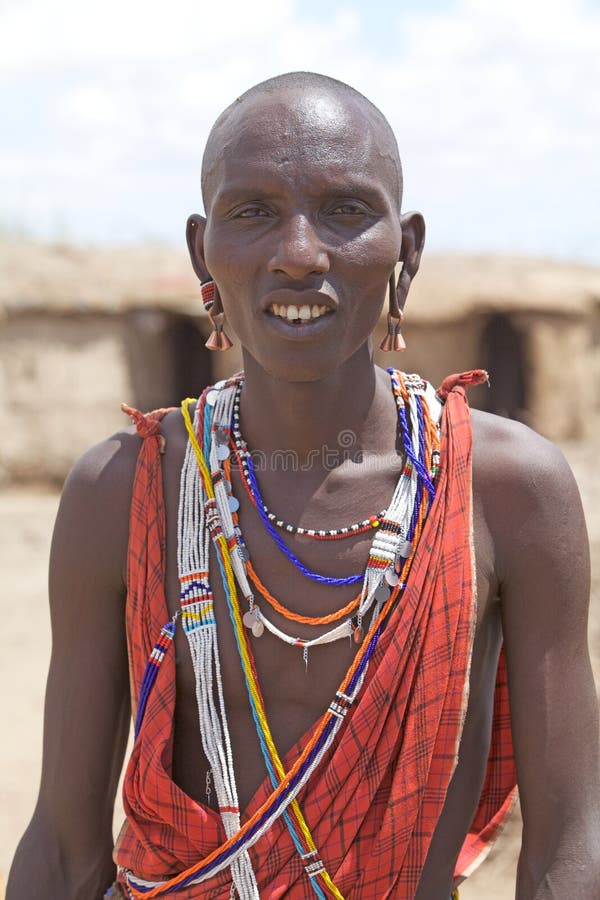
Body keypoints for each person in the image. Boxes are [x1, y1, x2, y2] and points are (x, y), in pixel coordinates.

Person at [7, 71, 600, 900]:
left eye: (346, 211)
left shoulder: (507, 491)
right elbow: (64, 852)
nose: (298, 254)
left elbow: (569, 847)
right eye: (252, 212)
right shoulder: (126, 492)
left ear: (409, 250)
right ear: (199, 252)